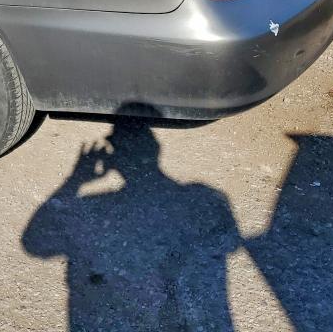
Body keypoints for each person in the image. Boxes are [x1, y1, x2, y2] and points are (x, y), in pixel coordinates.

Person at [22, 118, 240, 331]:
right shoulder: (201, 199)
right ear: (155, 152)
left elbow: (33, 242)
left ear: (117, 160)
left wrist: (75, 180)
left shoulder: (100, 206)